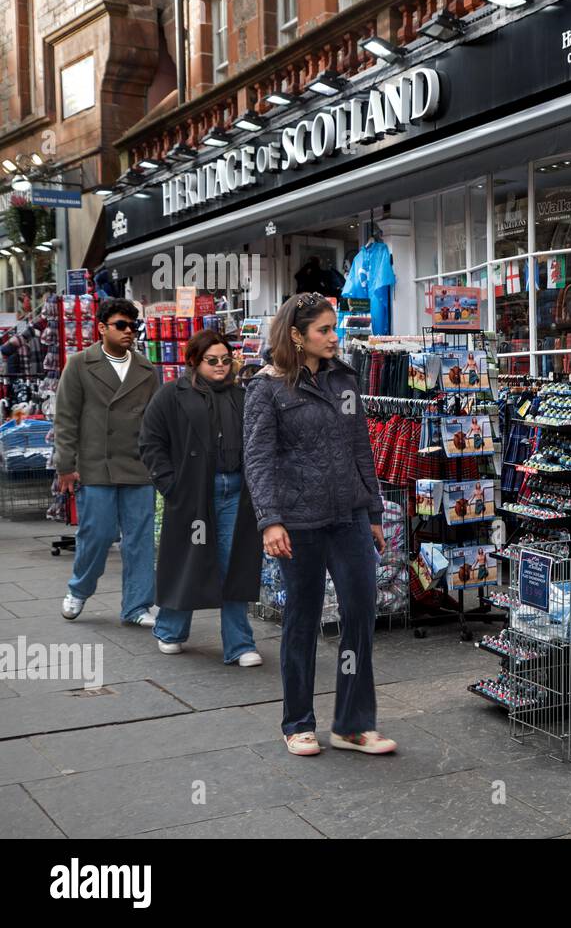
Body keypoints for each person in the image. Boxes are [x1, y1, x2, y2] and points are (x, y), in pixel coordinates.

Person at [243, 292, 396, 758]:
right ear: (296, 335)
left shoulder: (345, 381)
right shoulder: (266, 388)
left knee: (359, 613)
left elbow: (361, 450)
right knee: (303, 619)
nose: (334, 337)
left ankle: (352, 724)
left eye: (335, 328)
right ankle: (298, 722)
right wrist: (270, 521)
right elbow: (258, 459)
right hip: (299, 522)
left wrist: (372, 511)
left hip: (348, 516)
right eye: (324, 330)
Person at [139, 329, 263, 665]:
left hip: (236, 491)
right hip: (193, 492)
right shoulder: (170, 395)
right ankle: (170, 630)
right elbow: (150, 442)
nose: (221, 366)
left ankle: (239, 644)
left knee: (233, 565)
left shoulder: (242, 395)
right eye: (212, 361)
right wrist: (172, 485)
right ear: (195, 361)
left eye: (226, 359)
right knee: (189, 562)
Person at [53, 299, 159, 626]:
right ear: (102, 328)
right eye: (121, 325)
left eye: (132, 326)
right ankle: (80, 589)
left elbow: (156, 422)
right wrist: (65, 465)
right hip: (96, 465)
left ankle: (137, 606)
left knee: (140, 541)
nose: (129, 331)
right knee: (96, 534)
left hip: (138, 467)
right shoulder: (80, 364)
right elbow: (66, 418)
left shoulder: (146, 369)